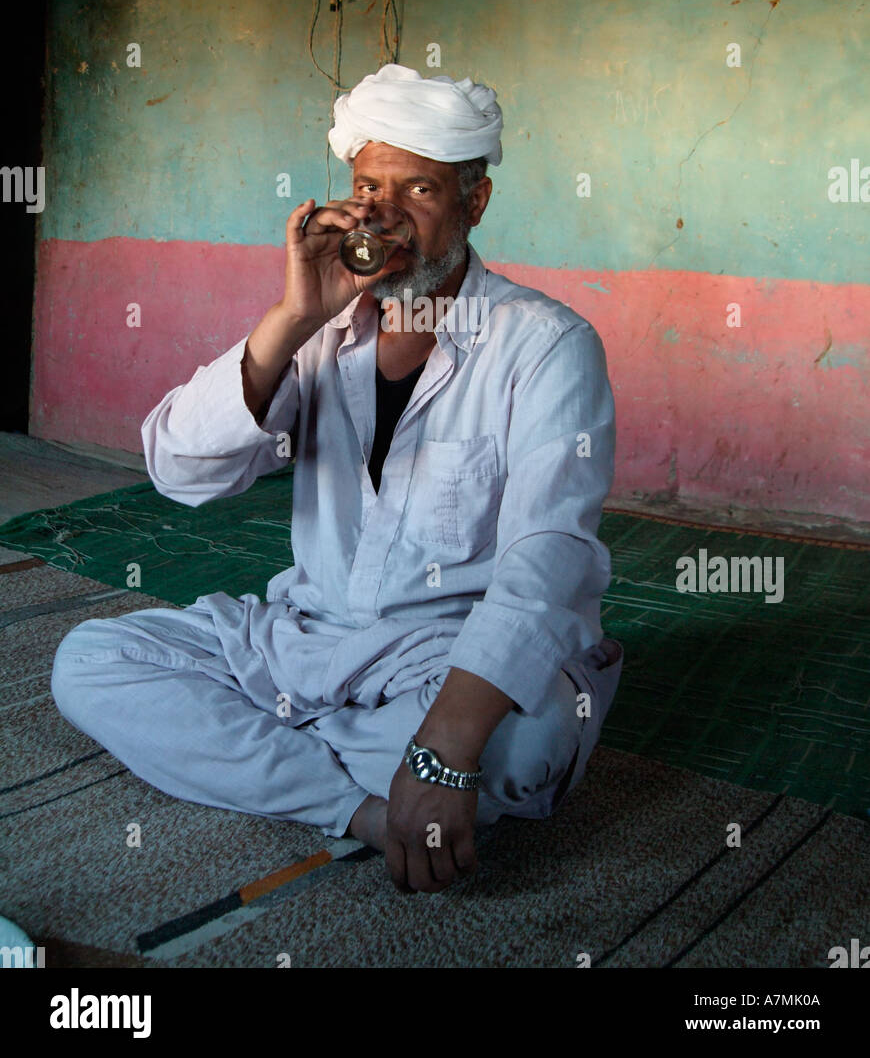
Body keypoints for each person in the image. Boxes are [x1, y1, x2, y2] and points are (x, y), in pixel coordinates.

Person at [51, 63, 623, 895]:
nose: (383, 215)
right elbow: (178, 471)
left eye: (419, 189)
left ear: (475, 202)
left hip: (443, 655)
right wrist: (290, 319)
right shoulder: (319, 329)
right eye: (367, 186)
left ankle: (370, 762)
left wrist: (445, 748)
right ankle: (366, 808)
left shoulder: (544, 345)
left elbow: (550, 560)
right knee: (92, 662)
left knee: (517, 755)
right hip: (306, 639)